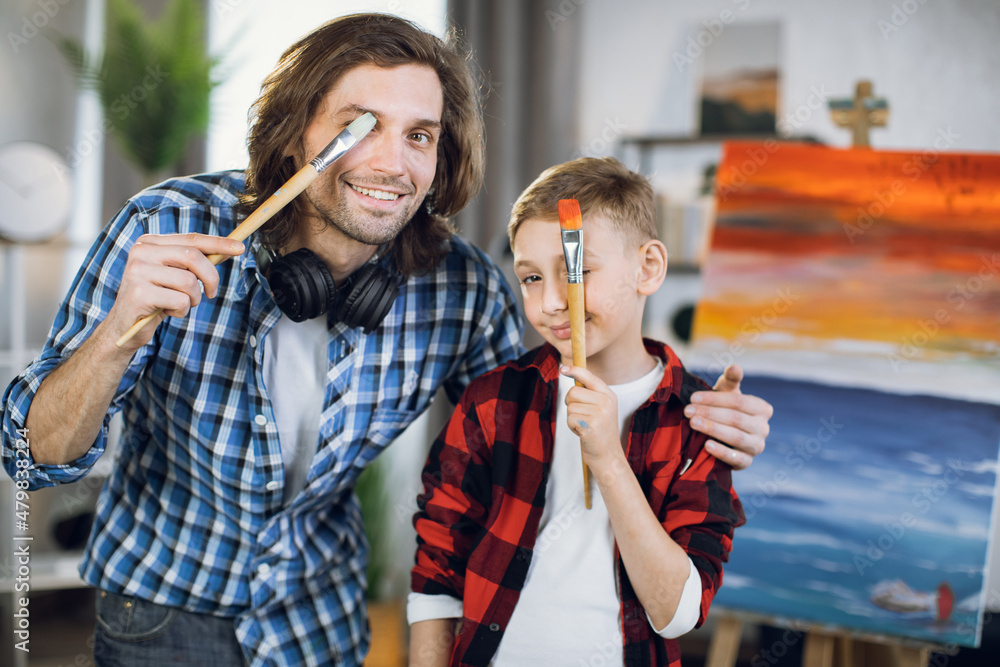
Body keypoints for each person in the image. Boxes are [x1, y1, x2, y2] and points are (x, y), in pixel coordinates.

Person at [0, 14, 768, 667]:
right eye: (359, 126)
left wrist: (694, 410)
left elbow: (537, 426)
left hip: (320, 619)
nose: (392, 163)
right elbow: (30, 457)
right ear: (296, 135)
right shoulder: (164, 225)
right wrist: (115, 335)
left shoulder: (460, 287)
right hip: (160, 610)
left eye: (420, 135)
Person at [409, 157, 746, 667]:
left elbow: (676, 613)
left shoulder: (699, 419)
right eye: (530, 277)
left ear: (648, 268)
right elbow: (437, 568)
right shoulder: (492, 401)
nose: (550, 302)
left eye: (576, 271)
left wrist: (608, 459)